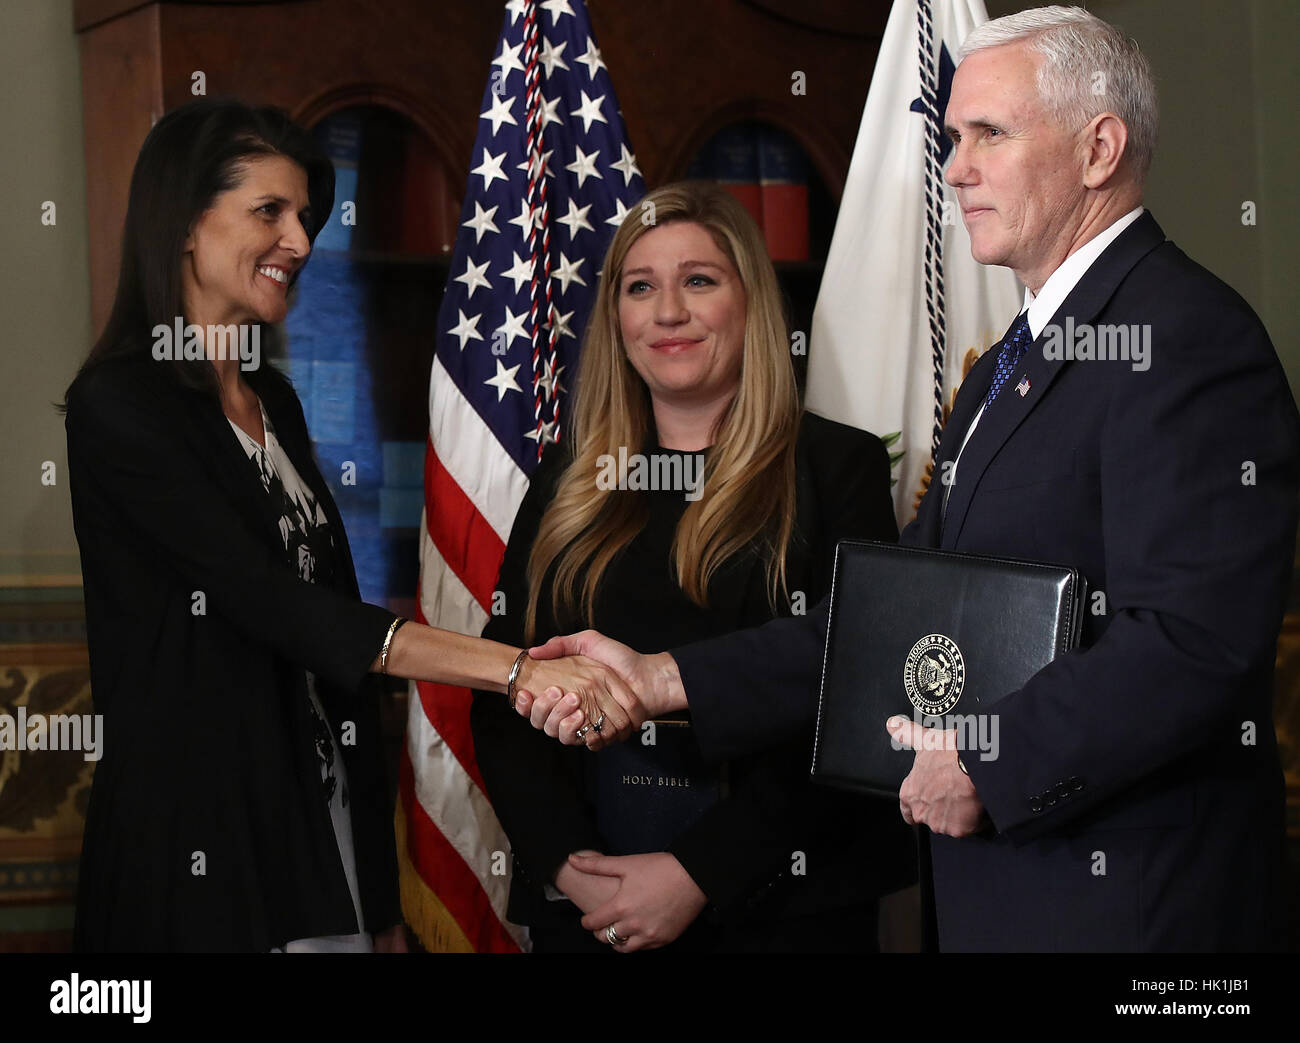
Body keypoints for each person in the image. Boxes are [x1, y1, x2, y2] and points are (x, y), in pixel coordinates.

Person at [518, 6, 1300, 951]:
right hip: (1006, 898)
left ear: (1099, 148)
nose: (956, 166)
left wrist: (988, 755)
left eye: (990, 135)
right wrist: (661, 677)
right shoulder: (1009, 361)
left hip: (1133, 912)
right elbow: (890, 618)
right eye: (953, 136)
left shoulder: (1186, 339)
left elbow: (1190, 643)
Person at [62, 98, 636, 952]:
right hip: (202, 848)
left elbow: (339, 669)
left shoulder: (277, 403)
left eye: (305, 217)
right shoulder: (119, 405)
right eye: (270, 212)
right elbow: (282, 607)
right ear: (184, 223)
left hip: (321, 831)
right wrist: (512, 668)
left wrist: (379, 898)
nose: (300, 241)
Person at [470, 182, 914, 953]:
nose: (667, 312)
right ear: (617, 318)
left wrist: (698, 872)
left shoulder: (837, 467)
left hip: (782, 908)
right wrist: (576, 871)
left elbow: (861, 690)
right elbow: (505, 685)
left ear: (751, 304)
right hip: (593, 911)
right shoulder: (570, 481)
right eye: (640, 287)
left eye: (699, 281)